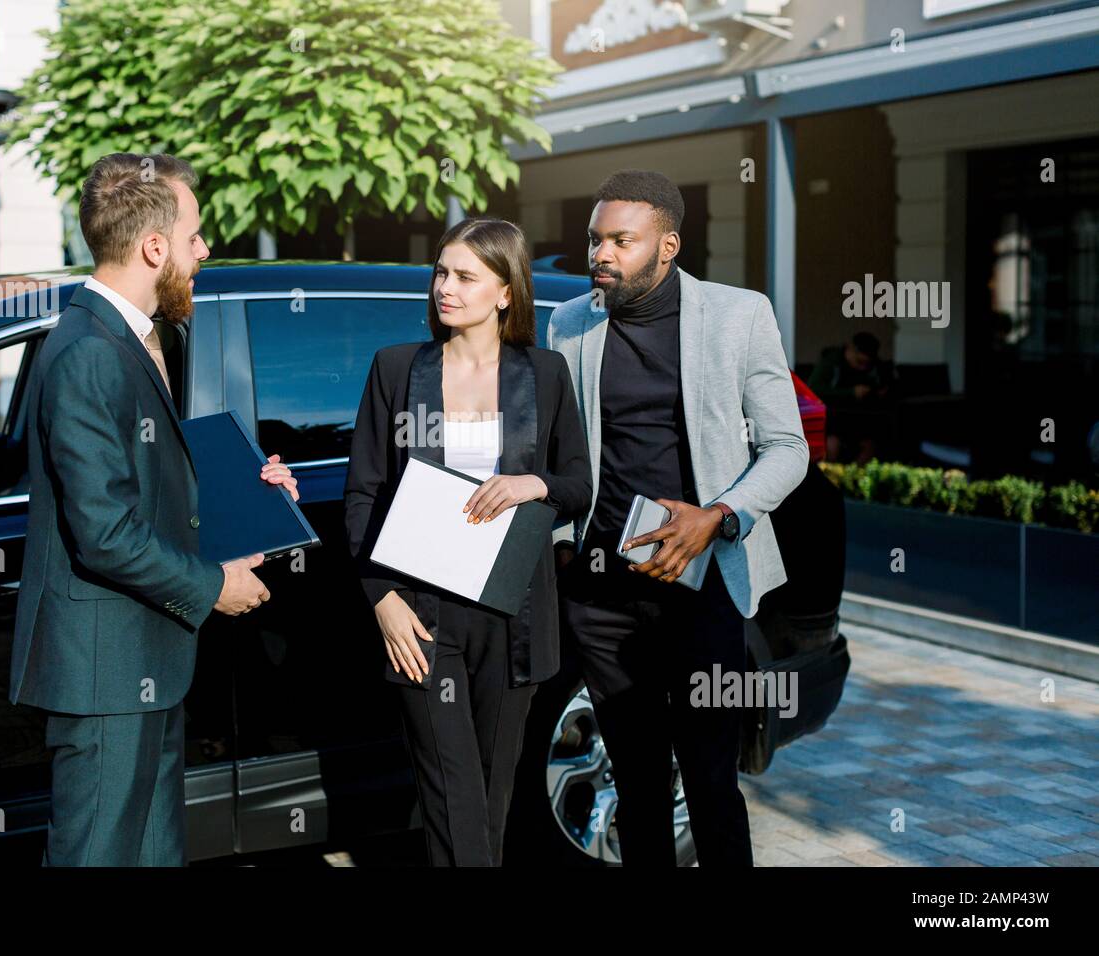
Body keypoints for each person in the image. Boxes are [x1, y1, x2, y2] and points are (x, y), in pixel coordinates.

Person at [10, 152, 298, 866]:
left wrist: (246, 492)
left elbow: (147, 479)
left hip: (144, 663)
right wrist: (214, 587)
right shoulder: (90, 352)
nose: (205, 251)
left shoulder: (134, 337)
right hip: (108, 673)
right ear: (155, 246)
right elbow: (104, 533)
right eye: (196, 235)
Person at [547, 169, 808, 866]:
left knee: (711, 782)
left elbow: (788, 449)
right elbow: (557, 446)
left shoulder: (738, 314)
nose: (601, 253)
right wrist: (564, 549)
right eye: (596, 238)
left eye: (620, 241)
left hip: (705, 589)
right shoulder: (569, 323)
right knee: (635, 787)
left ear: (668, 246)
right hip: (603, 596)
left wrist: (719, 515)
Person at [345, 218, 591, 866]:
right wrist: (382, 600)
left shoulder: (545, 374)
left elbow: (579, 485)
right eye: (440, 272)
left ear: (506, 292)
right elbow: (364, 494)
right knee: (451, 795)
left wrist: (529, 484)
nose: (444, 288)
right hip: (422, 616)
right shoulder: (396, 370)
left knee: (492, 794)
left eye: (464, 276)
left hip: (514, 612)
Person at [808, 331, 893, 462]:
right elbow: (813, 390)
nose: (862, 367)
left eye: (867, 364)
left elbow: (886, 385)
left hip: (862, 420)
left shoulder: (875, 368)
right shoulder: (831, 362)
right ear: (850, 350)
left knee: (870, 447)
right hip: (832, 420)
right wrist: (851, 392)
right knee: (832, 446)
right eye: (859, 362)